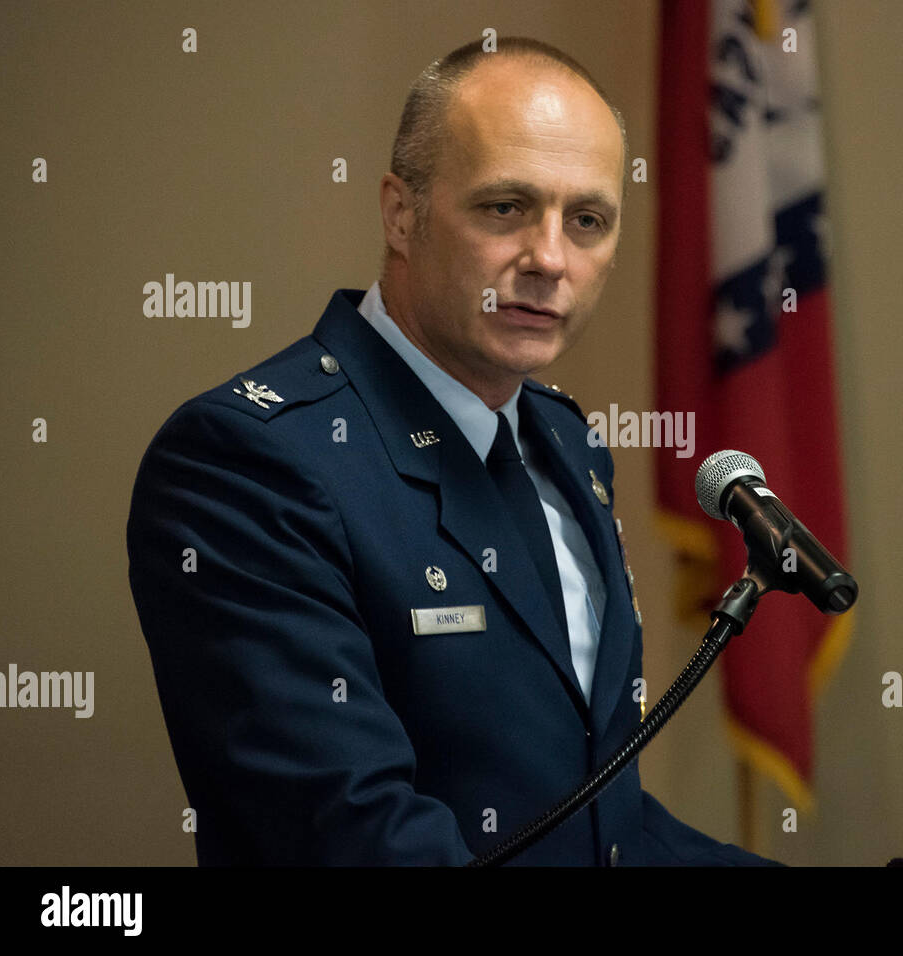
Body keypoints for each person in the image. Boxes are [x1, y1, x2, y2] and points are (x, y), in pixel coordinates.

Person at [126, 37, 780, 866]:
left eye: (587, 220)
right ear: (402, 214)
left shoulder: (567, 442)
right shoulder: (249, 461)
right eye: (505, 207)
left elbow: (593, 819)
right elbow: (352, 833)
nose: (550, 259)